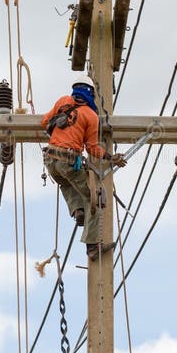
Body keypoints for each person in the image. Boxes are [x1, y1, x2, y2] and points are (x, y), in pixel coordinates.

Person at [42, 76, 127, 260]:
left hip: (51, 161)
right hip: (68, 161)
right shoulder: (91, 115)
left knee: (65, 183)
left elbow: (44, 123)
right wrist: (111, 158)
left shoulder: (63, 101)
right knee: (95, 199)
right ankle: (92, 247)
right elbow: (92, 149)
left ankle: (77, 210)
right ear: (90, 94)